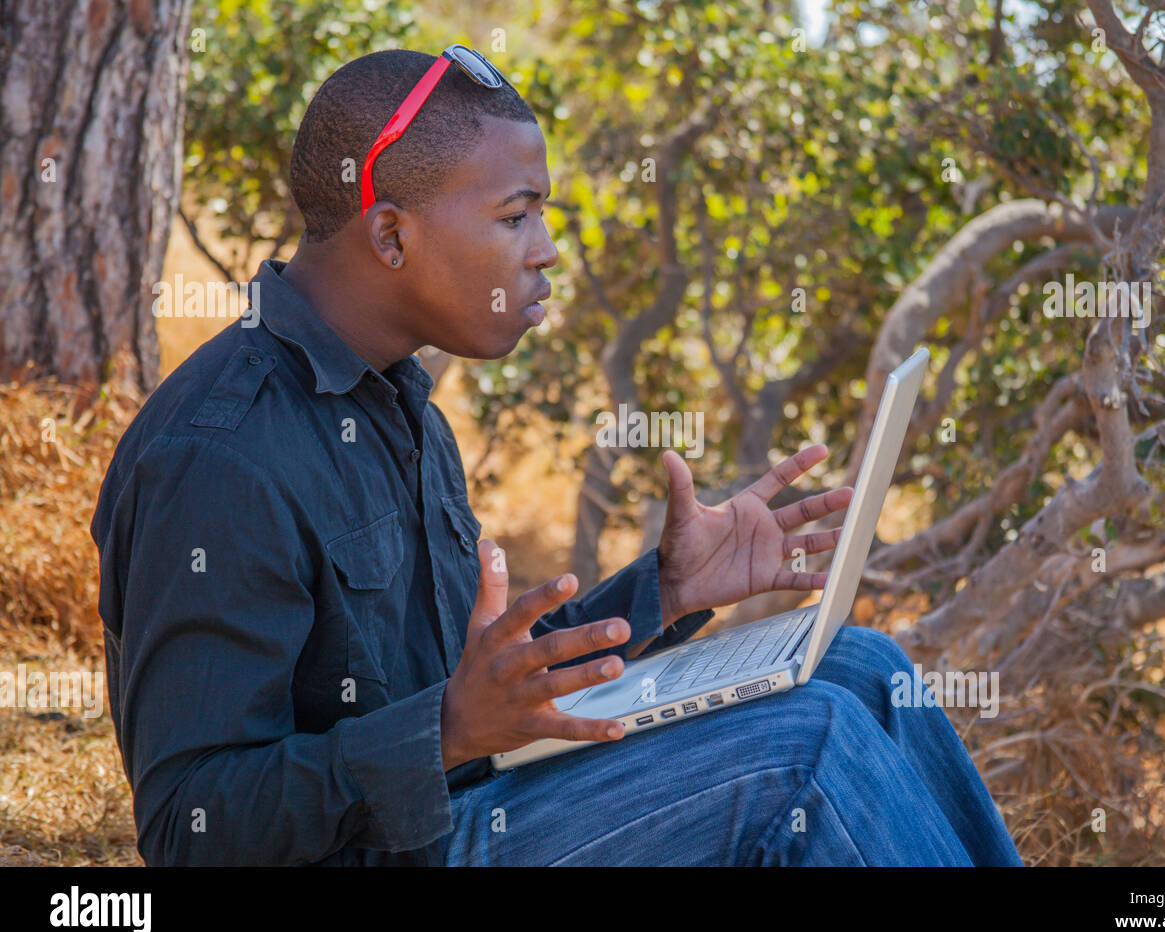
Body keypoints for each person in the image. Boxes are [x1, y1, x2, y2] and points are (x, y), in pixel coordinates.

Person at [91, 46, 1022, 866]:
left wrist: (667, 590)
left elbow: (478, 691)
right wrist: (444, 733)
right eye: (515, 217)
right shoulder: (219, 457)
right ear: (390, 234)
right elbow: (188, 822)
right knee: (804, 753)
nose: (546, 253)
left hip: (462, 803)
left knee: (862, 670)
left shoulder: (398, 399)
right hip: (402, 848)